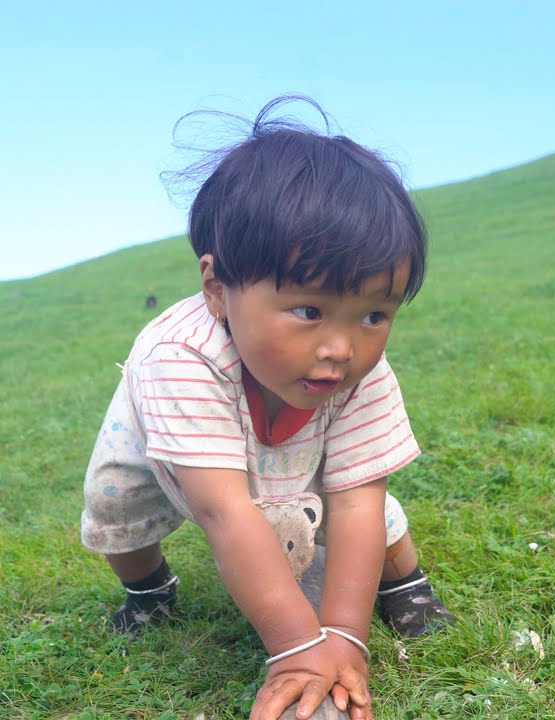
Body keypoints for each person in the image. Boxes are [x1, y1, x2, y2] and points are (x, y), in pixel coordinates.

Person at [81, 96, 453, 720]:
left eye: (374, 314)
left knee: (356, 508)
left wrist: (343, 636)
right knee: (118, 503)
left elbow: (358, 495)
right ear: (217, 289)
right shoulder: (180, 358)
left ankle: (405, 581)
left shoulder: (362, 372)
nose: (342, 348)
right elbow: (223, 511)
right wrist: (298, 650)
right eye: (308, 310)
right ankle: (149, 588)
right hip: (163, 444)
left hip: (291, 442)